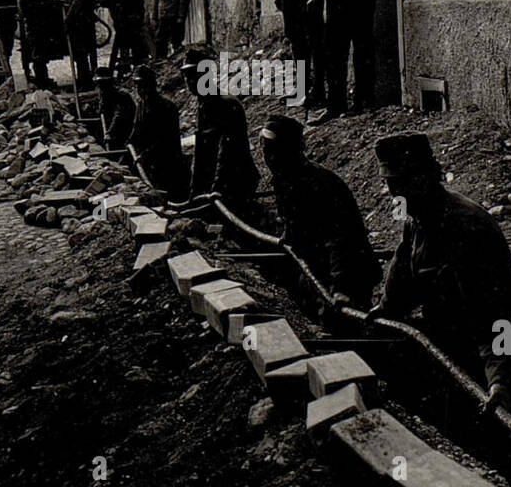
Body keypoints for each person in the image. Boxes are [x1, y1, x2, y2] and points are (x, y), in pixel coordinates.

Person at [369, 133, 511, 418]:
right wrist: (383, 312)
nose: (394, 194)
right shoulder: (419, 220)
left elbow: (495, 315)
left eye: (399, 184)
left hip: (496, 356)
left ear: (423, 178)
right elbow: (402, 276)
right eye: (390, 184)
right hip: (456, 341)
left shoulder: (466, 228)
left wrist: (499, 383)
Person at [260, 114, 381, 309]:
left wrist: (340, 286)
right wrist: (288, 236)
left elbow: (341, 238)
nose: (268, 158)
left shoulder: (317, 186)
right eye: (266, 151)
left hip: (346, 272)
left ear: (290, 151)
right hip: (318, 264)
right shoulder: (285, 178)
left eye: (274, 151)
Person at [180, 45, 259, 211]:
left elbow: (228, 153)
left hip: (235, 182)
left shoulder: (226, 104)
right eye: (187, 76)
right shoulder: (204, 105)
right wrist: (194, 194)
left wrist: (216, 190)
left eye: (194, 75)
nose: (189, 81)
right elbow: (201, 152)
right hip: (216, 185)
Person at [130, 64, 189, 199]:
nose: (141, 90)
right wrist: (128, 149)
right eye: (138, 86)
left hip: (168, 166)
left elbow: (166, 141)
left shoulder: (167, 107)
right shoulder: (141, 106)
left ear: (152, 85)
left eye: (143, 85)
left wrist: (144, 155)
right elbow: (136, 132)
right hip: (148, 165)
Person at [101, 0, 150, 75]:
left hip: (132, 13)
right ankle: (128, 65)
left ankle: (131, 66)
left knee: (131, 41)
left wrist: (102, 1)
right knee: (126, 40)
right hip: (127, 14)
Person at [17, 0, 57, 90]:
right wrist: (58, 1)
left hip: (35, 27)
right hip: (33, 27)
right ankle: (42, 81)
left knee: (40, 54)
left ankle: (43, 79)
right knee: (38, 55)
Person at [64, 0, 97, 92]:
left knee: (82, 53)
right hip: (81, 23)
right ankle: (83, 79)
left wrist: (67, 20)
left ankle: (86, 81)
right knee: (81, 53)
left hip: (83, 24)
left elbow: (76, 4)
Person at [94, 66, 136, 152]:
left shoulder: (122, 95)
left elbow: (119, 115)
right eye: (99, 83)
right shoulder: (103, 93)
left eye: (103, 83)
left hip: (126, 131)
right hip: (111, 128)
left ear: (110, 82)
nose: (100, 87)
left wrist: (110, 132)